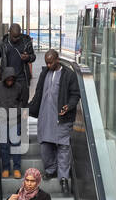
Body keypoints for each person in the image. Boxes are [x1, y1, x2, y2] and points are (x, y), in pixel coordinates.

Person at [28, 49, 80, 192]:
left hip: (62, 118)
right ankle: (51, 169)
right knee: (45, 145)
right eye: (46, 62)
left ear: (57, 60)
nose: (48, 65)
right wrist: (30, 108)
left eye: (50, 62)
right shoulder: (45, 73)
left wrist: (68, 106)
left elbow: (75, 94)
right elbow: (39, 92)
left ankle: (63, 178)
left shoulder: (69, 75)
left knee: (63, 147)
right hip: (45, 116)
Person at [0, 62, 28, 179]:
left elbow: (22, 100)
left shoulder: (19, 87)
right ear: (4, 78)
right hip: (2, 120)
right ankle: (5, 168)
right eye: (8, 79)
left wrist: (19, 111)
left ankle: (16, 168)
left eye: (12, 79)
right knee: (3, 145)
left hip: (16, 119)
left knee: (16, 144)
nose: (10, 81)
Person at [0, 22, 35, 90]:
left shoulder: (26, 42)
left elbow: (33, 56)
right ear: (9, 32)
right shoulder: (2, 43)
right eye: (14, 37)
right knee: (7, 99)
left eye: (18, 36)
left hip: (22, 79)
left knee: (23, 99)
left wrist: (28, 57)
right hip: (7, 78)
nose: (16, 39)